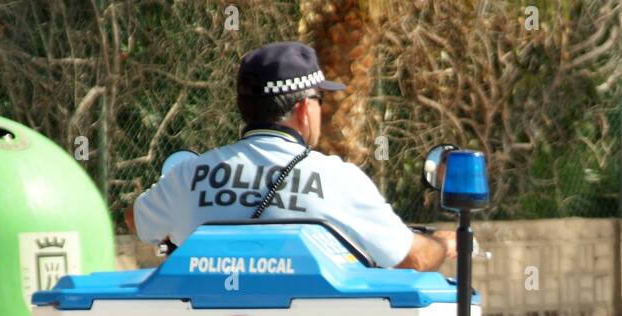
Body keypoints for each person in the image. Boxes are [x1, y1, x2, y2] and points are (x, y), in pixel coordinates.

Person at [127, 41, 457, 271]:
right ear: (302, 109)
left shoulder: (189, 175)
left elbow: (136, 220)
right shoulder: (339, 180)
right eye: (319, 100)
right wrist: (443, 245)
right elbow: (411, 260)